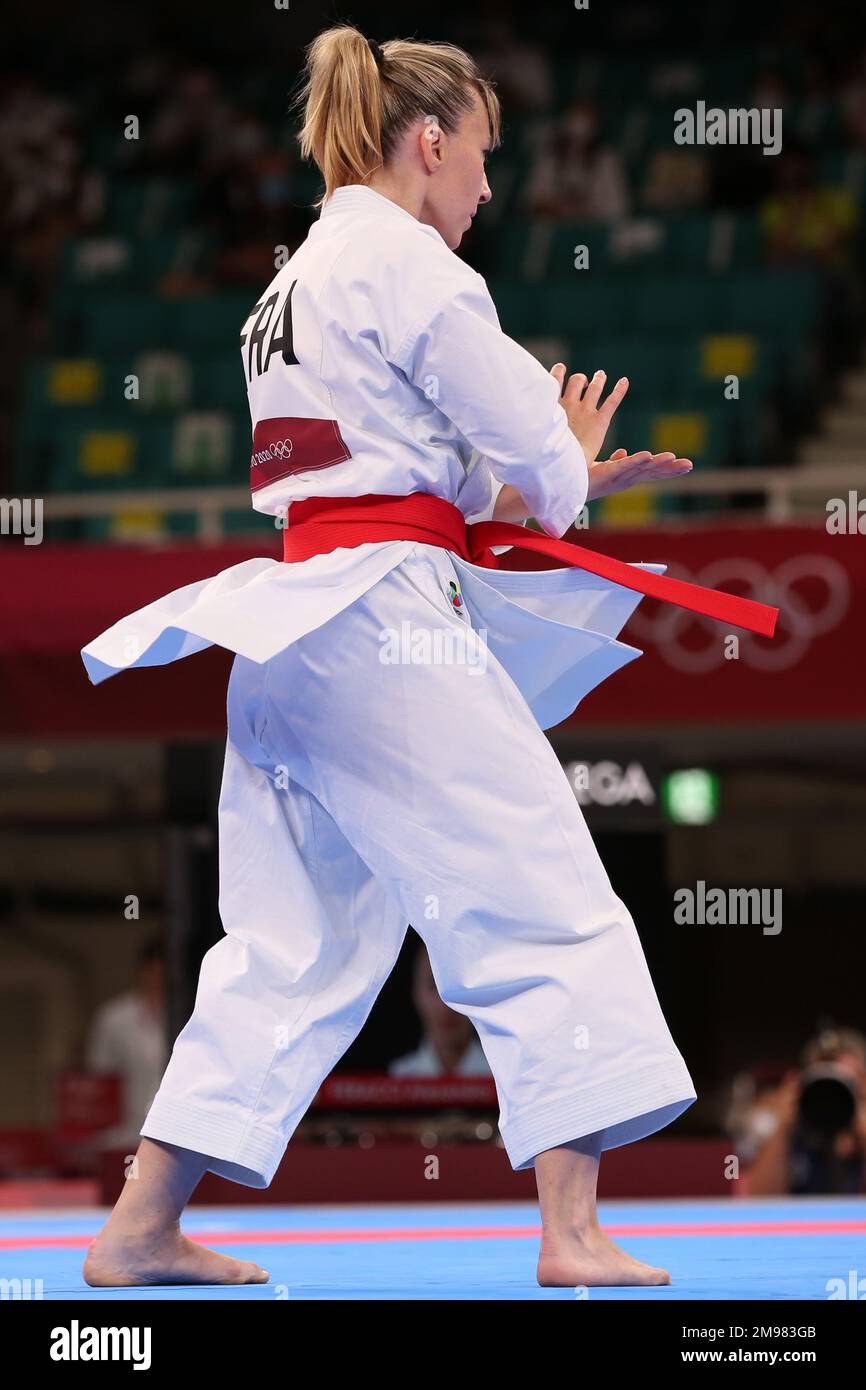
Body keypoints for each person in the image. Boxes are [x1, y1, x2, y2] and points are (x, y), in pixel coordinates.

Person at [79, 25, 776, 1290]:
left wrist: (523, 487)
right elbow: (530, 462)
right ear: (433, 141)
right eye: (484, 160)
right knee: (548, 892)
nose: (489, 190)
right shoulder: (413, 266)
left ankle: (138, 1224)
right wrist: (562, 463)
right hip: (377, 625)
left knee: (285, 945)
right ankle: (568, 1234)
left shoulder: (285, 287)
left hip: (291, 624)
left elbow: (399, 472)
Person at [84, 938, 169, 1153]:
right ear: (143, 970)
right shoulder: (114, 1018)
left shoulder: (189, 1014)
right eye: (154, 970)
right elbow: (100, 1080)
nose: (158, 978)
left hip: (174, 1138)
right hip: (123, 1137)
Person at [388, 940, 492, 1077]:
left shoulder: (502, 1081)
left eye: (458, 985)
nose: (446, 1003)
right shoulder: (398, 1080)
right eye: (433, 985)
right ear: (416, 994)